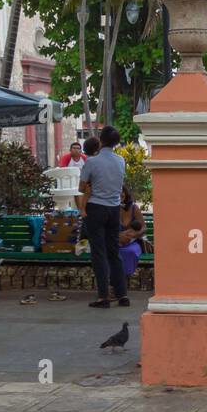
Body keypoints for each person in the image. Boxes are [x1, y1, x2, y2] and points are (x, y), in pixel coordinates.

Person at [78, 125, 128, 308]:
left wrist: (90, 185)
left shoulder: (92, 162)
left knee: (99, 254)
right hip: (114, 209)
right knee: (114, 252)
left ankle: (103, 297)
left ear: (101, 140)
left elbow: (81, 188)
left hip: (96, 208)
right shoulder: (121, 160)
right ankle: (122, 294)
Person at [116, 184, 147, 279]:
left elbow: (144, 228)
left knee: (130, 252)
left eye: (122, 191)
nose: (120, 194)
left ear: (125, 193)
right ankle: (117, 280)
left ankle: (124, 278)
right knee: (113, 253)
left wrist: (133, 235)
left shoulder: (134, 208)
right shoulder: (112, 209)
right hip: (117, 241)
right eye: (117, 192)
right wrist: (119, 236)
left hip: (134, 241)